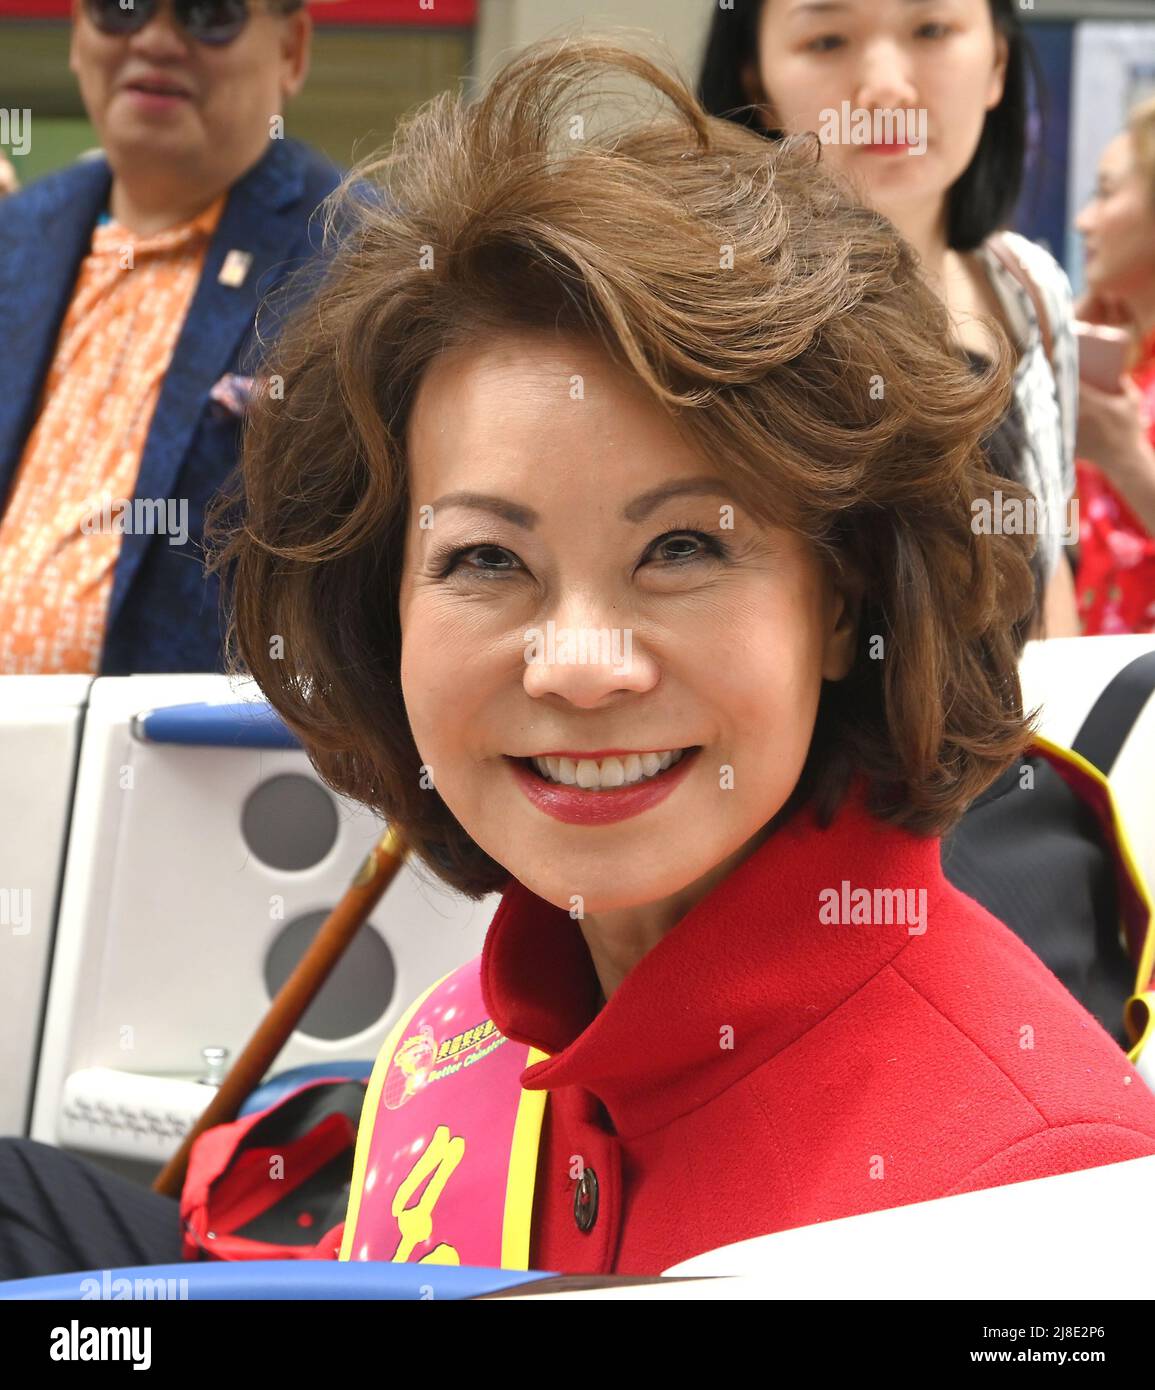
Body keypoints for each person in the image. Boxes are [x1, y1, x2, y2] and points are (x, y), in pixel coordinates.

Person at [3, 33, 1155, 1286]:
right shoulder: (456, 1045)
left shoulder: (1048, 1194)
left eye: (681, 548)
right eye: (487, 561)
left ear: (844, 598)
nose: (580, 663)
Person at [699, 0, 1080, 639]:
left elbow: (1047, 566)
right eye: (827, 40)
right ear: (754, 80)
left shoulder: (1028, 289)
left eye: (931, 29)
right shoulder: (714, 317)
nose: (884, 88)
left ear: (998, 64)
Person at [0, 0, 342, 675]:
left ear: (291, 51)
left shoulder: (358, 264)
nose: (155, 40)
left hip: (194, 767)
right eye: (118, 8)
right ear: (76, 31)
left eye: (207, 12)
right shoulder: (20, 234)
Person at [1072, 95, 1155, 635]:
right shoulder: (1127, 361)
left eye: (1105, 193)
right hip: (1105, 686)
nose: (1083, 222)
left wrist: (1126, 457)